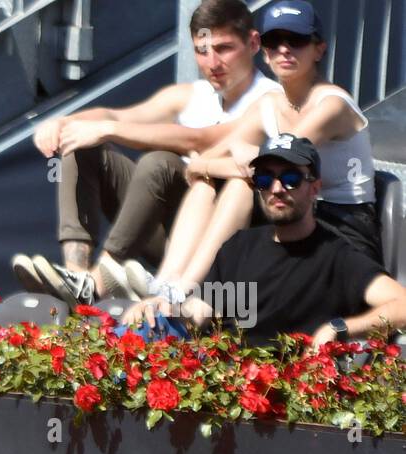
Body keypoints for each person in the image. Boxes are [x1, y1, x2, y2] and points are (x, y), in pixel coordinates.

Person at [15, 0, 279, 305]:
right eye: (202, 51)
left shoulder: (271, 99)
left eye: (224, 48)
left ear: (254, 43)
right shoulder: (191, 95)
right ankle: (76, 276)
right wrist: (62, 122)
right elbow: (116, 116)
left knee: (161, 163)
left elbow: (201, 139)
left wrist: (109, 129)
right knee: (81, 144)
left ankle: (97, 283)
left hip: (224, 245)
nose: (212, 62)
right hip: (175, 236)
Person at [127, 0, 381, 307]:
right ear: (264, 51)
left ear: (319, 49)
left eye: (297, 41)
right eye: (275, 42)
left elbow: (283, 162)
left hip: (342, 227)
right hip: (294, 209)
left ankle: (187, 289)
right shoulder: (269, 104)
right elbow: (199, 163)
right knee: (208, 181)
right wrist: (231, 156)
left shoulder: (332, 104)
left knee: (240, 186)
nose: (284, 50)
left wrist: (243, 157)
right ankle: (167, 283)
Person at [124, 136, 406, 344]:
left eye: (291, 178)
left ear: (314, 188)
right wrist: (162, 308)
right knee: (135, 331)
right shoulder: (239, 246)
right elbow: (199, 312)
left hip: (288, 396)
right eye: (264, 179)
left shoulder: (337, 255)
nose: (277, 188)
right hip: (227, 386)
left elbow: (401, 305)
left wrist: (339, 328)